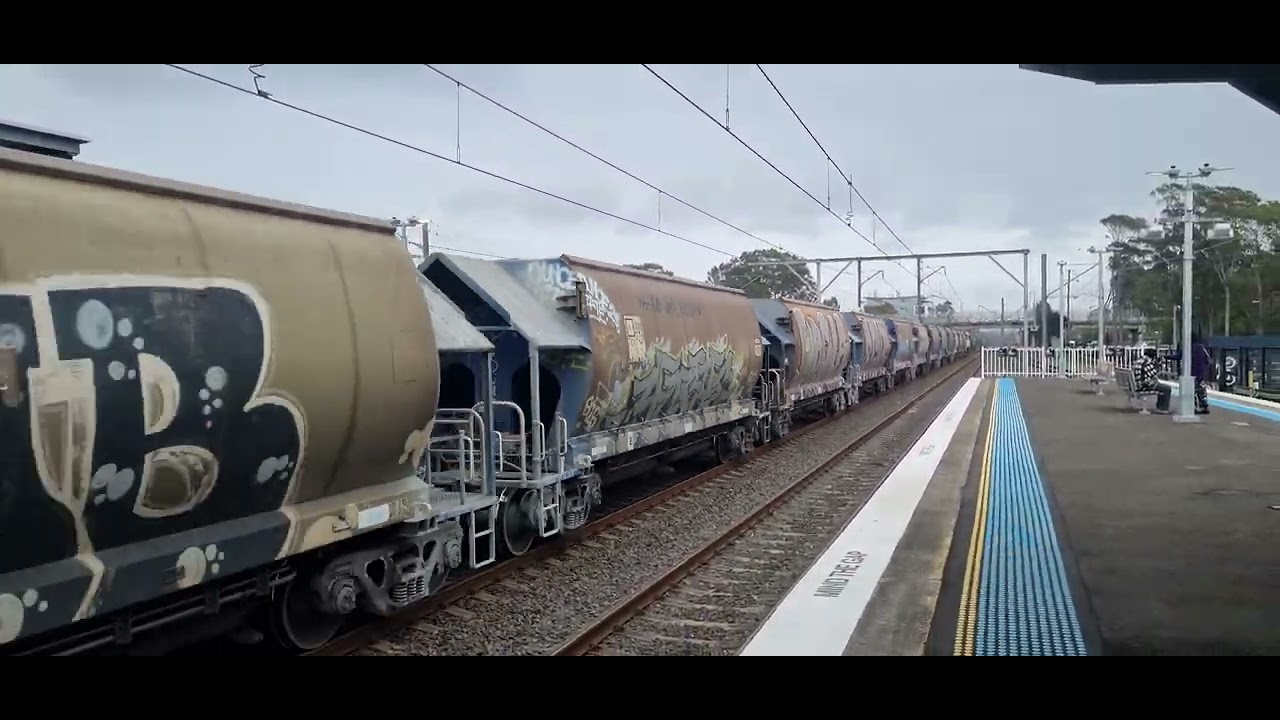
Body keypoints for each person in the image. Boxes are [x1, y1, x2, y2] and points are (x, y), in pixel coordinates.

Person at [1169, 331, 1212, 415]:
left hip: (1190, 372)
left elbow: (1178, 357)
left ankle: (1193, 407)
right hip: (1200, 372)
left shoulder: (1187, 347)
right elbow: (1207, 360)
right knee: (1201, 389)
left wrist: (1166, 357)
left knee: (1192, 390)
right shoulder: (1201, 347)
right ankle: (1204, 405)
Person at [1132, 347, 1170, 412]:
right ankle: (1163, 408)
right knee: (1166, 388)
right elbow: (1154, 374)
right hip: (1143, 386)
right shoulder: (1147, 363)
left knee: (1161, 387)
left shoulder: (1138, 361)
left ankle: (1160, 407)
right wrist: (1157, 366)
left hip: (1137, 384)